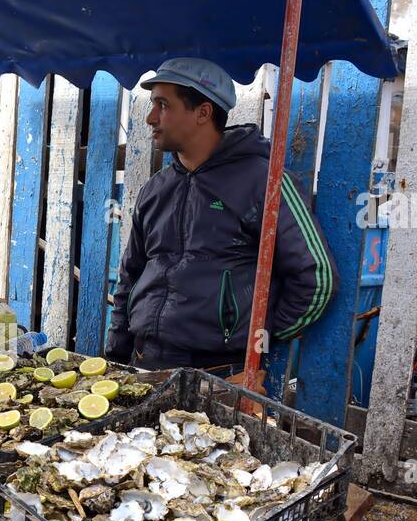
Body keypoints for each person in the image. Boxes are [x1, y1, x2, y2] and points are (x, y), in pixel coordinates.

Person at [105, 57, 338, 377]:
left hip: (220, 374)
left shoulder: (265, 183)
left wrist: (261, 336)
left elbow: (317, 278)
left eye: (163, 104)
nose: (150, 117)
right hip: (147, 362)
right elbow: (130, 276)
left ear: (203, 112)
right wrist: (116, 354)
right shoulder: (155, 190)